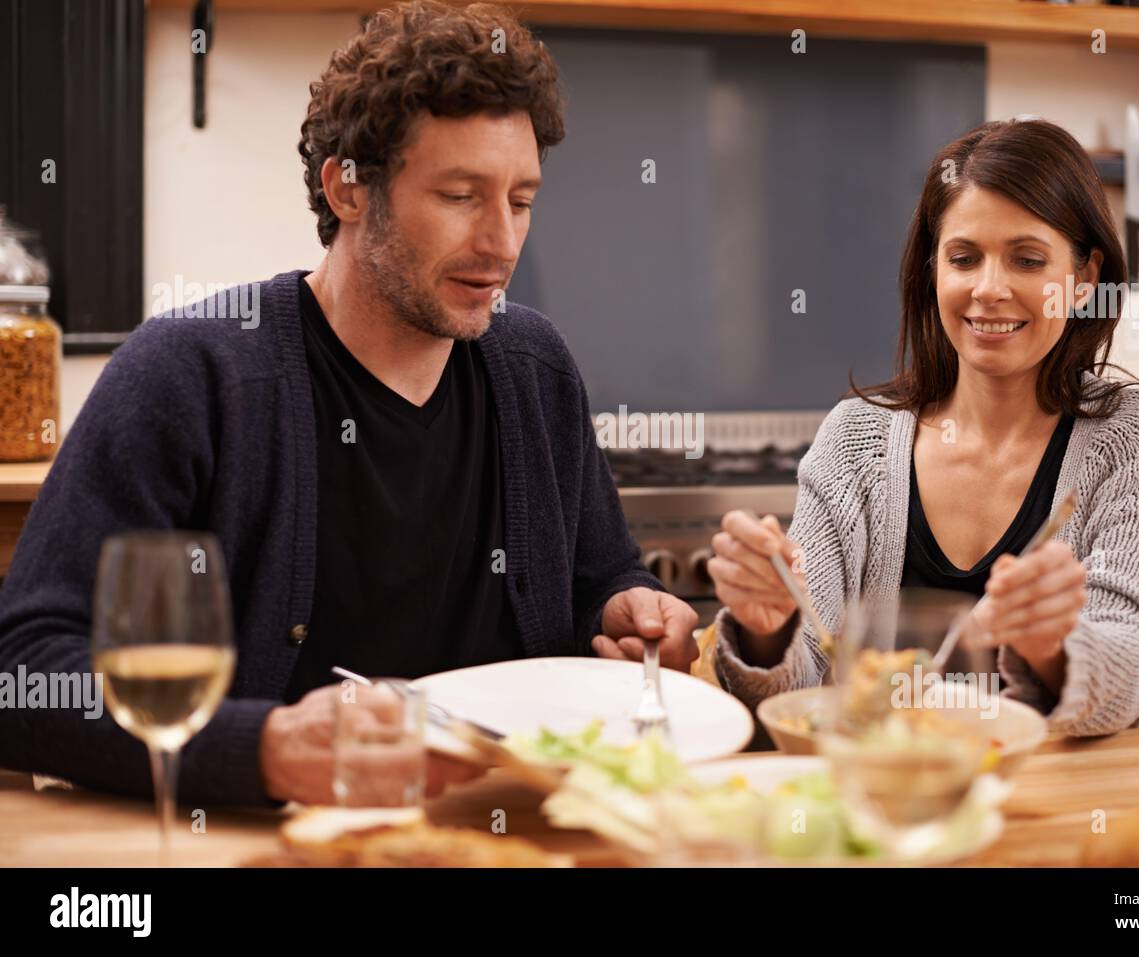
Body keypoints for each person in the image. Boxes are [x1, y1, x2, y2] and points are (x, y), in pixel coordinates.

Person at [0, 0, 698, 807]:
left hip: (500, 838)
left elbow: (595, 584)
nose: (503, 243)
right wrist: (264, 748)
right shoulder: (191, 373)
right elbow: (24, 670)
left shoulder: (533, 365)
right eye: (462, 195)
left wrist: (627, 613)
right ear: (348, 188)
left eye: (521, 200)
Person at [707, 118, 1139, 735]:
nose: (989, 289)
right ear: (933, 272)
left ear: (1083, 281)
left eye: (1026, 259)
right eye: (964, 258)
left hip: (1079, 807)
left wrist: (1050, 648)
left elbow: (1138, 669)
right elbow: (801, 684)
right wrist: (766, 628)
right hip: (902, 798)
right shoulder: (853, 439)